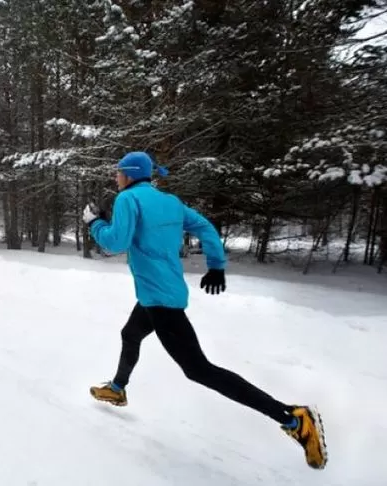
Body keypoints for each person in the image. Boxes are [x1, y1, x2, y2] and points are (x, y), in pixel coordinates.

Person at [82, 151, 327, 470]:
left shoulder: (129, 199)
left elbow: (116, 242)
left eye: (118, 173)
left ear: (128, 175)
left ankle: (294, 419)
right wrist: (216, 265)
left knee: (199, 370)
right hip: (160, 293)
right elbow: (206, 228)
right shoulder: (169, 201)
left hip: (160, 302)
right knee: (130, 333)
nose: (115, 178)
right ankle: (117, 389)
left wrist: (95, 223)